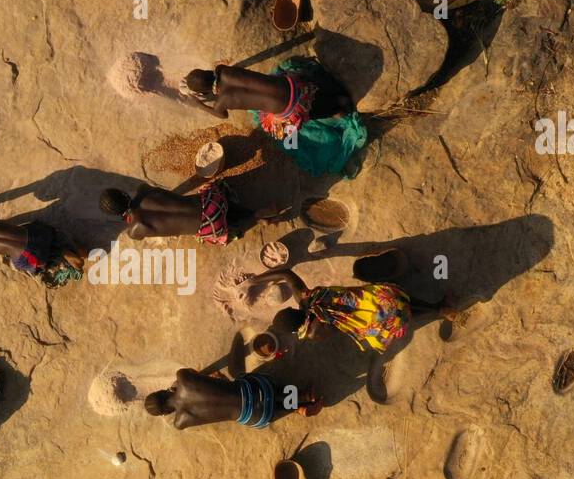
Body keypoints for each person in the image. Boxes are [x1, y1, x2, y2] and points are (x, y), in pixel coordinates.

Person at [181, 59, 366, 177]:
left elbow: (221, 114)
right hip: (292, 84)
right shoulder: (223, 69)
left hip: (292, 108)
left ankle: (337, 111)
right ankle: (334, 102)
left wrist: (199, 105)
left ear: (206, 92)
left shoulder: (222, 101)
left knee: (288, 140)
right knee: (305, 97)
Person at [250, 267, 453, 352]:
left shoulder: (313, 334)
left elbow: (339, 328)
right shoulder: (307, 297)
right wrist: (254, 280)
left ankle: (437, 313)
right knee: (399, 300)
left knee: (396, 317)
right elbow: (286, 273)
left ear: (297, 329)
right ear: (293, 310)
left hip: (383, 322)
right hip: (385, 297)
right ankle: (436, 306)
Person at [143, 332, 319, 430]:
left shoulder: (180, 422)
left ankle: (297, 407)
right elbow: (196, 373)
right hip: (258, 389)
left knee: (261, 407)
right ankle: (301, 396)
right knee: (250, 383)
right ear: (161, 391)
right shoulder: (183, 377)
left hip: (255, 417)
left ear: (165, 413)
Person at [99, 182, 283, 246]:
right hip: (212, 201)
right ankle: (252, 213)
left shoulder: (134, 231)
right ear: (123, 194)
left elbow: (136, 220)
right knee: (218, 194)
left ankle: (255, 218)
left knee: (218, 232)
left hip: (210, 226)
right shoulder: (143, 189)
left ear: (116, 214)